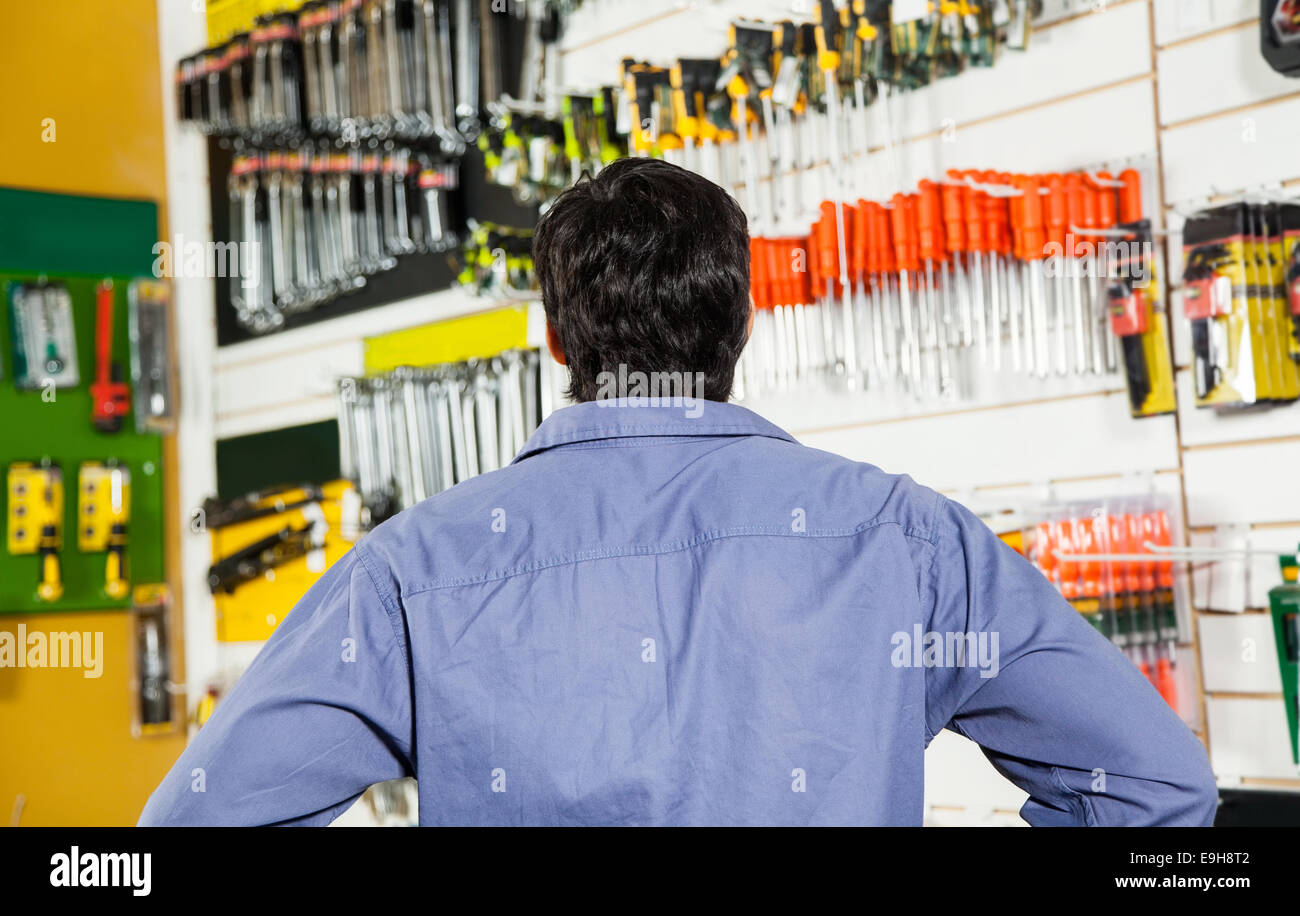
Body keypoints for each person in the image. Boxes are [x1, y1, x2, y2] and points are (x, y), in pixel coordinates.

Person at [140, 158, 1217, 826]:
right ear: (742, 323)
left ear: (556, 337)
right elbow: (1155, 787)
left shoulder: (414, 575)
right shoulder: (907, 544)